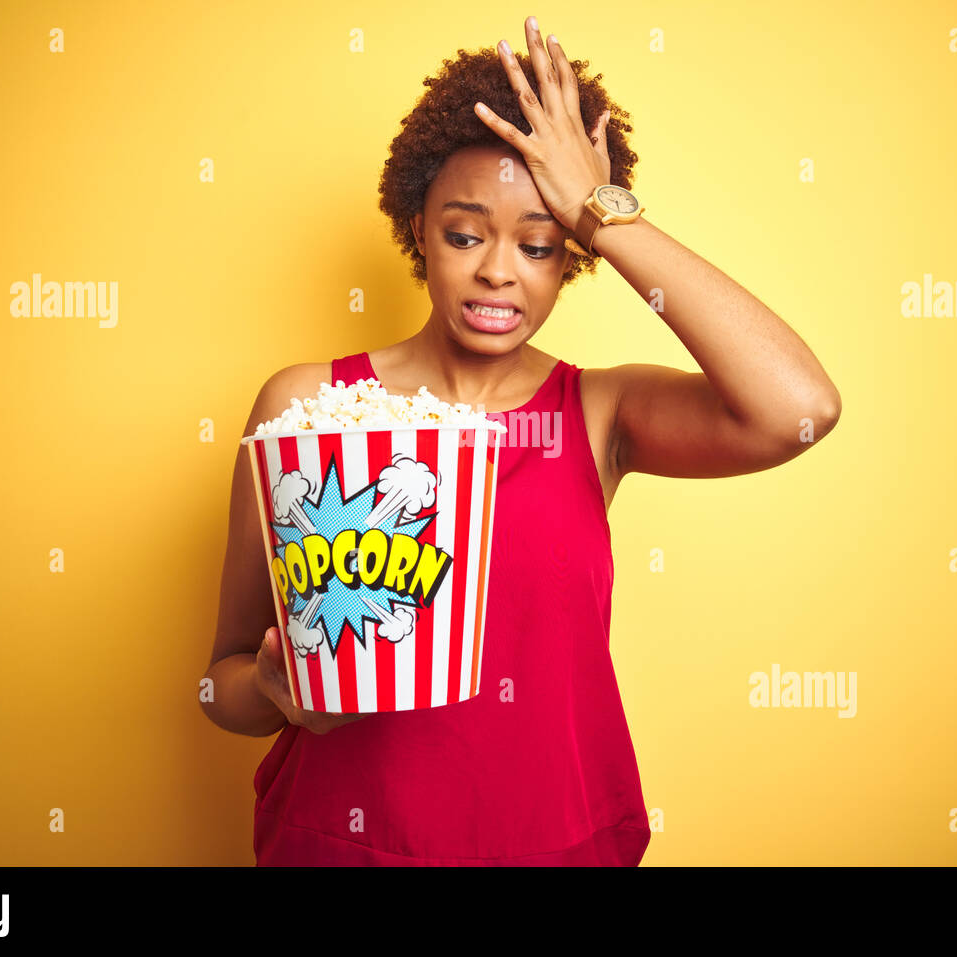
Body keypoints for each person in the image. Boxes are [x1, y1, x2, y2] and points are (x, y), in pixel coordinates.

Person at [201, 15, 841, 865]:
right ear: (417, 228)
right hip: (345, 843)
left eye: (540, 244)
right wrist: (282, 695)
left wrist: (604, 211)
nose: (499, 270)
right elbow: (221, 683)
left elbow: (797, 405)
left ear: (571, 257)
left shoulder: (600, 412)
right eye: (465, 234)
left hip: (554, 843)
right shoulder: (309, 403)